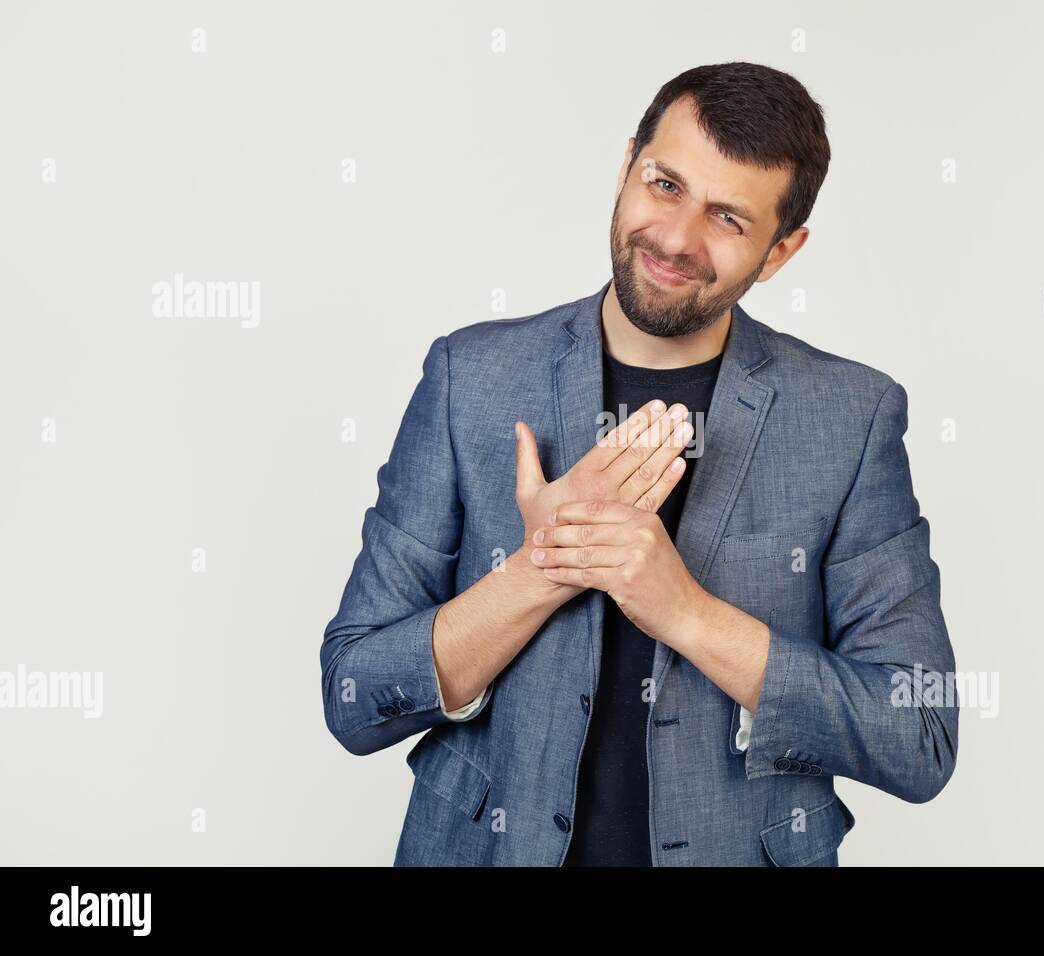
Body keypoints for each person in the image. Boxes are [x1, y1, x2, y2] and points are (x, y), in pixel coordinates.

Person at [321, 61, 958, 867]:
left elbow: (920, 732)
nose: (676, 240)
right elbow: (352, 696)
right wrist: (543, 569)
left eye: (727, 218)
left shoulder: (850, 417)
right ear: (627, 164)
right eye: (664, 185)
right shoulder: (468, 378)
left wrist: (685, 611)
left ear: (781, 250)